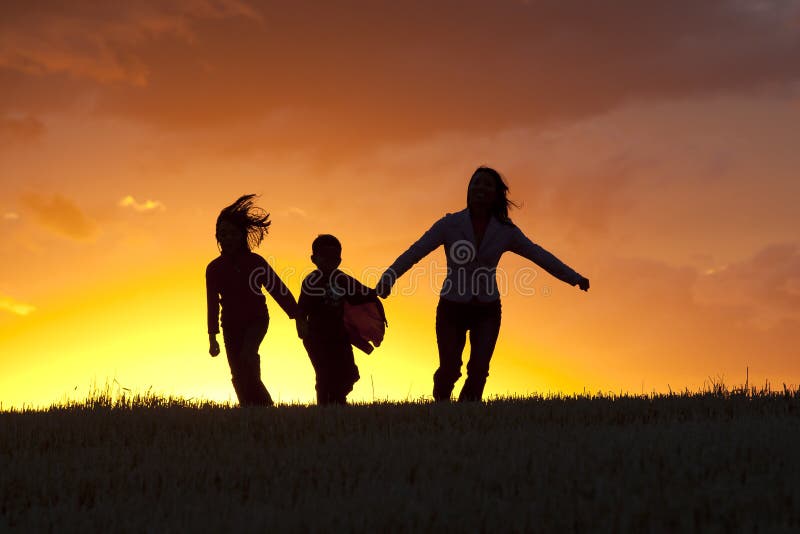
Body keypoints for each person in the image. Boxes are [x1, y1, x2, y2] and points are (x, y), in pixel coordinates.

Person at [376, 166, 590, 402]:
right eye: (476, 183)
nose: (480, 187)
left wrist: (574, 278)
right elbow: (416, 251)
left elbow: (538, 255)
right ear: (468, 190)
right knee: (449, 368)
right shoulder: (450, 224)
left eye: (487, 184)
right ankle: (441, 408)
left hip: (487, 309)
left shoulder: (506, 231)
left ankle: (468, 417)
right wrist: (390, 276)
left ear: (496, 194)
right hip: (451, 307)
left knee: (479, 370)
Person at [206, 194, 298, 406]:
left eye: (231, 233)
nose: (226, 238)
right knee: (237, 371)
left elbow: (278, 289)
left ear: (242, 235)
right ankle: (249, 409)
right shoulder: (214, 268)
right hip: (229, 324)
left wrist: (297, 315)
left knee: (248, 355)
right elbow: (211, 303)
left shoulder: (255, 262)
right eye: (222, 234)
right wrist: (212, 337)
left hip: (256, 320)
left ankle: (265, 406)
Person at [296, 234, 386, 405]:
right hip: (316, 338)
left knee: (349, 374)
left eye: (334, 257)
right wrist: (301, 328)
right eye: (325, 257)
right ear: (314, 259)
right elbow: (301, 309)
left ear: (339, 259)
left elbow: (361, 294)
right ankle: (326, 407)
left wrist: (377, 291)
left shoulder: (342, 279)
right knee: (324, 375)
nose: (330, 261)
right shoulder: (311, 282)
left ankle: (337, 400)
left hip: (339, 337)